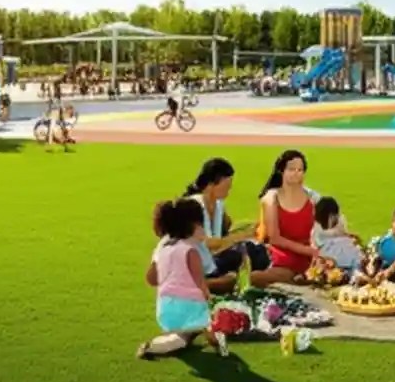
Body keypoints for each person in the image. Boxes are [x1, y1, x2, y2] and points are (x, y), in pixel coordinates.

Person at [137, 199, 229, 360]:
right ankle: (211, 340)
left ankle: (166, 341)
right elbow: (201, 284)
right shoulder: (191, 250)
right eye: (201, 224)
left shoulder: (164, 245)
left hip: (166, 307)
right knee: (201, 324)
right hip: (188, 305)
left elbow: (151, 279)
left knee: (187, 328)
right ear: (192, 226)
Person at [178, 157, 260, 293]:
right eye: (227, 185)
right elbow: (208, 243)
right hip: (197, 261)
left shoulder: (218, 204)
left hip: (210, 258)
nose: (230, 189)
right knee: (244, 250)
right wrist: (241, 236)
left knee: (253, 249)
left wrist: (250, 227)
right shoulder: (193, 206)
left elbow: (228, 229)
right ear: (212, 184)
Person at [251, 150, 331, 286]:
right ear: (282, 171)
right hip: (282, 256)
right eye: (291, 169)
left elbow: (326, 226)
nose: (296, 173)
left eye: (300, 170)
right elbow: (274, 238)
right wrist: (308, 251)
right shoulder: (271, 198)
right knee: (258, 278)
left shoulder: (313, 198)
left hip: (312, 257)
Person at [312, 196, 365, 274]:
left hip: (341, 246)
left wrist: (353, 238)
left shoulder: (340, 220)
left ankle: (354, 271)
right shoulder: (316, 225)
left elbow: (343, 235)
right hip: (324, 250)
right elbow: (315, 243)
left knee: (349, 247)